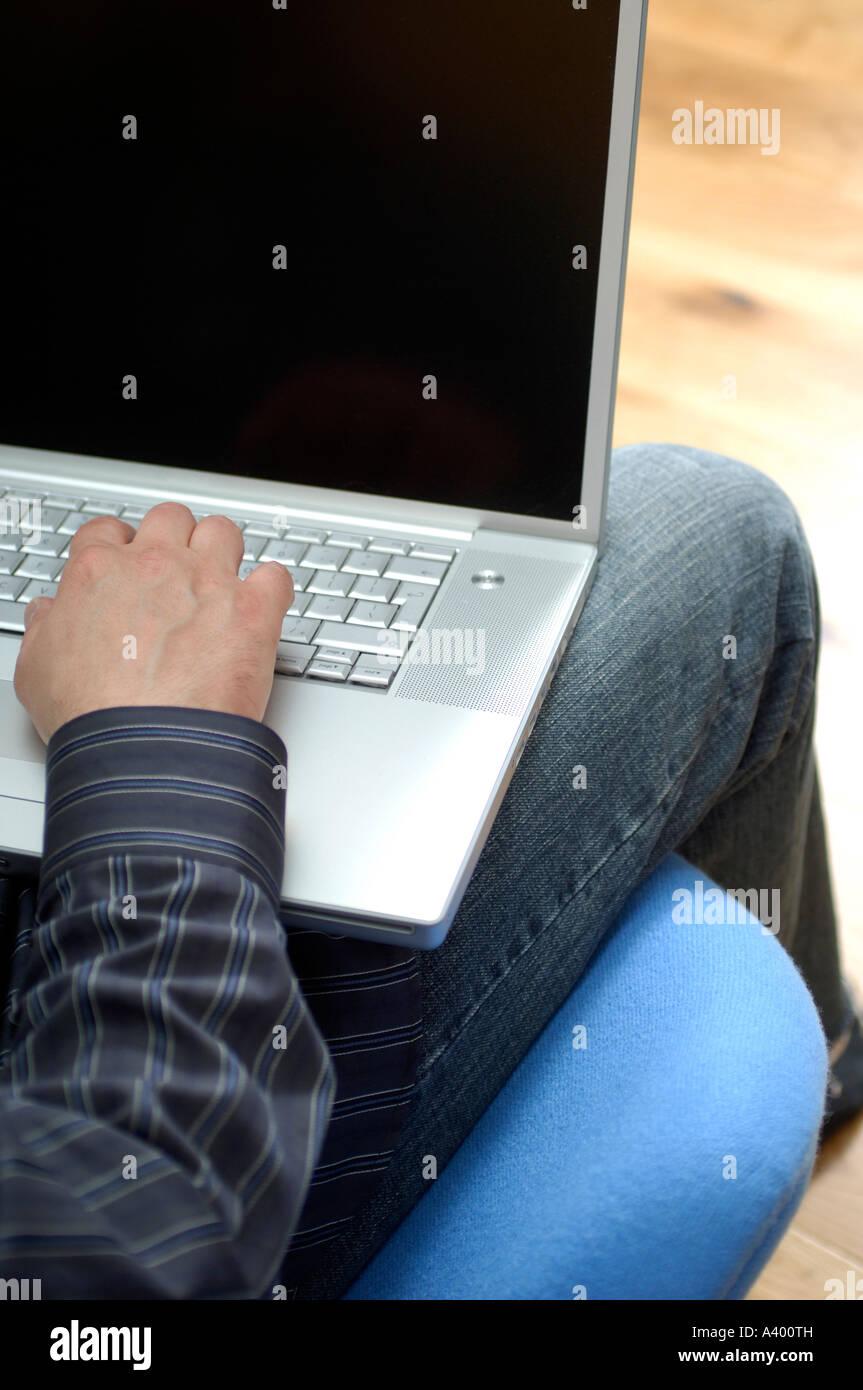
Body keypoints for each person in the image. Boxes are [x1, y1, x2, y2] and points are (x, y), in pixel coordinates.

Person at [1, 442, 861, 1299]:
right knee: (719, 519)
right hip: (182, 1160)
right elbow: (131, 1223)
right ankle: (833, 1061)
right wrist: (151, 744)